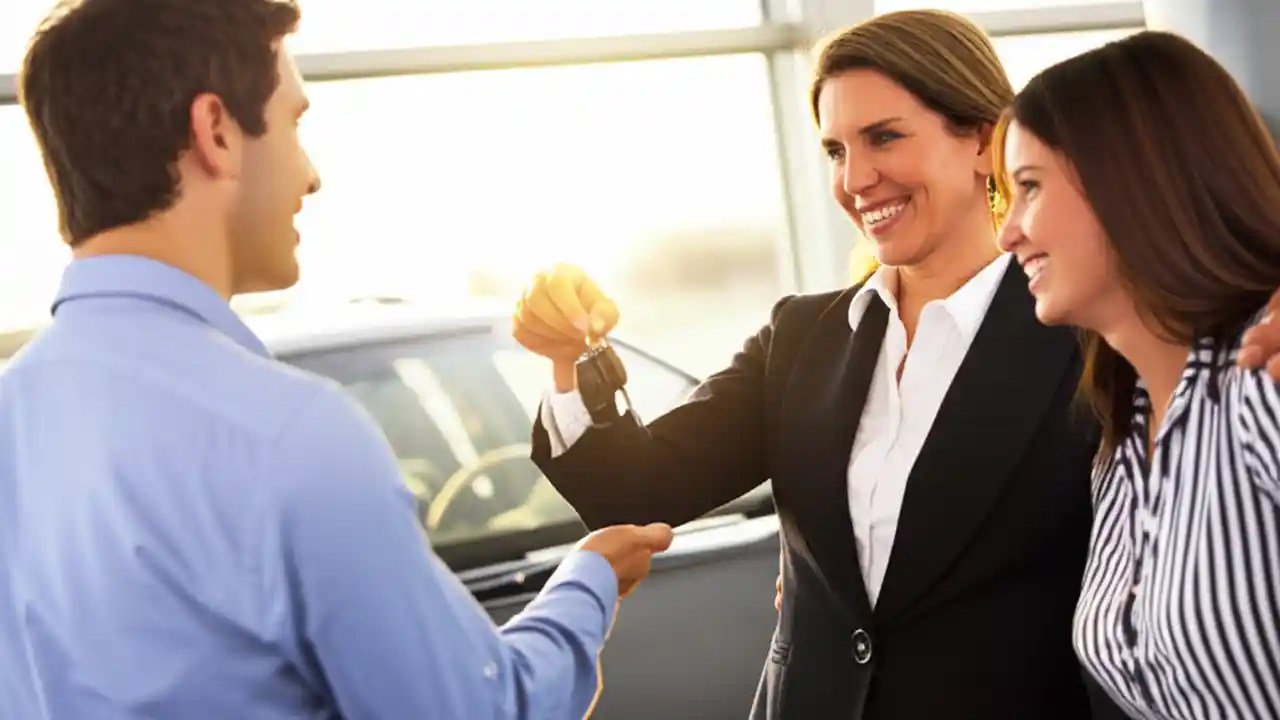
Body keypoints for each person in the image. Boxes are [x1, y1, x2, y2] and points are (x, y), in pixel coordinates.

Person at [512, 10, 1280, 720]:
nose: (854, 179)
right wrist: (567, 360)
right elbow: (636, 490)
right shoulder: (802, 338)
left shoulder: (1089, 335)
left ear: (982, 142)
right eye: (835, 151)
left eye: (883, 138)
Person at [0, 1, 673, 719]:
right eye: (293, 123)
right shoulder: (289, 434)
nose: (311, 175)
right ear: (216, 132)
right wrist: (587, 583)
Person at [997, 30, 1280, 720]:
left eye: (1029, 187)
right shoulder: (1120, 445)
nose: (1008, 234)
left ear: (1134, 179)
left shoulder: (1261, 382)